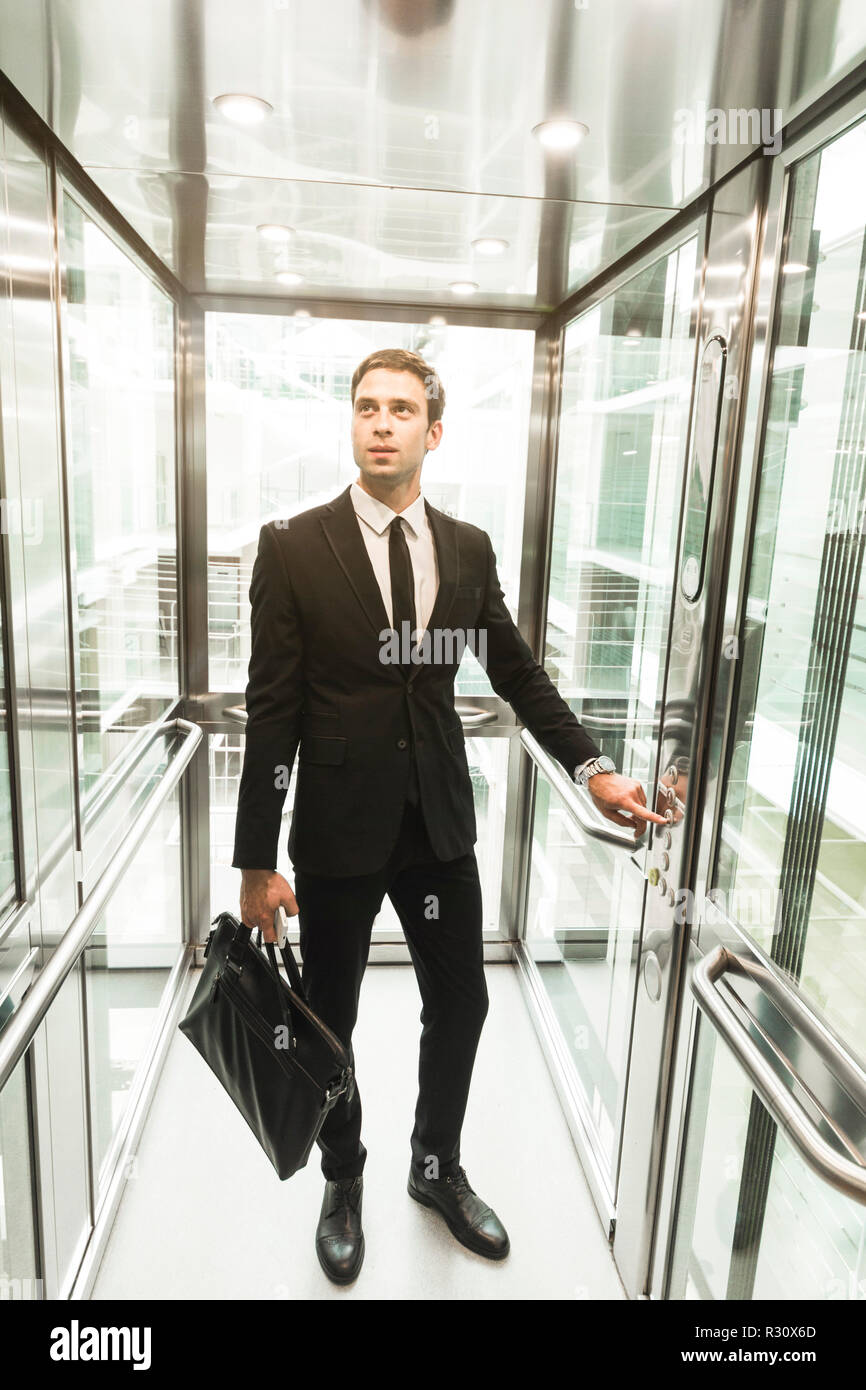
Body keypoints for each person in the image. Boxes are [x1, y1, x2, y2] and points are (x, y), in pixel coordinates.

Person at [232, 347, 665, 1284]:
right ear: (353, 425)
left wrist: (592, 766)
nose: (379, 423)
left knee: (461, 1004)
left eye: (399, 410)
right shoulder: (295, 546)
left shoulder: (466, 549)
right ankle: (344, 1177)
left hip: (437, 828)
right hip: (339, 834)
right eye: (365, 408)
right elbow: (271, 711)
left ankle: (436, 1167)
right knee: (331, 1019)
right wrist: (256, 861)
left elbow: (513, 670)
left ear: (433, 432)